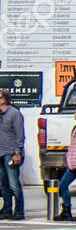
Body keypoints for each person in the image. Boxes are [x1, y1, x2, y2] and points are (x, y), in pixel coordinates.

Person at [0, 90, 25, 221]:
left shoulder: (14, 114)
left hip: (10, 153)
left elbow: (20, 135)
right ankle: (7, 209)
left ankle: (19, 211)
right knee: (2, 184)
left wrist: (17, 153)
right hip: (0, 153)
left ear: (4, 99)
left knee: (13, 184)